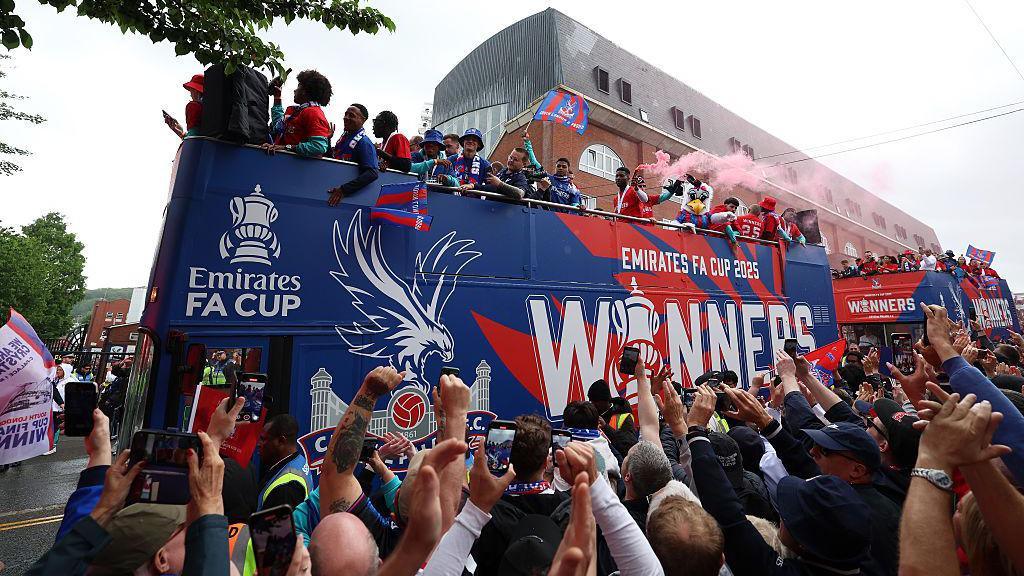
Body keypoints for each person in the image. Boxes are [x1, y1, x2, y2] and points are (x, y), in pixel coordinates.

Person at [262, 69, 332, 157]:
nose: (295, 90)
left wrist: (287, 147)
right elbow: (278, 126)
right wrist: (277, 97)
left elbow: (319, 146)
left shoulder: (313, 112)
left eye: (299, 86)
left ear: (305, 91)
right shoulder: (295, 111)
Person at [256, 414, 313, 511]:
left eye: (263, 439)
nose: (258, 444)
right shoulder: (298, 460)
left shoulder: (286, 489)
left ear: (281, 441)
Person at [328, 103, 379, 206]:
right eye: (345, 114)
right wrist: (328, 140)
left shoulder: (364, 142)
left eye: (351, 115)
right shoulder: (344, 138)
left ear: (362, 120)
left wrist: (343, 190)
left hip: (348, 200)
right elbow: (332, 159)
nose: (346, 118)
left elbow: (372, 173)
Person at [438, 129, 491, 193]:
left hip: (474, 199)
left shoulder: (485, 165)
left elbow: (491, 187)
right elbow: (440, 180)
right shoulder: (450, 160)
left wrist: (474, 186)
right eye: (468, 139)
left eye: (474, 140)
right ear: (463, 142)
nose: (470, 141)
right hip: (451, 197)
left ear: (479, 144)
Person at [164, 74, 204, 139]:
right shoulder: (215, 110)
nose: (190, 95)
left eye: (191, 91)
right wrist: (180, 133)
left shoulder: (194, 107)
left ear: (196, 91)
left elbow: (193, 140)